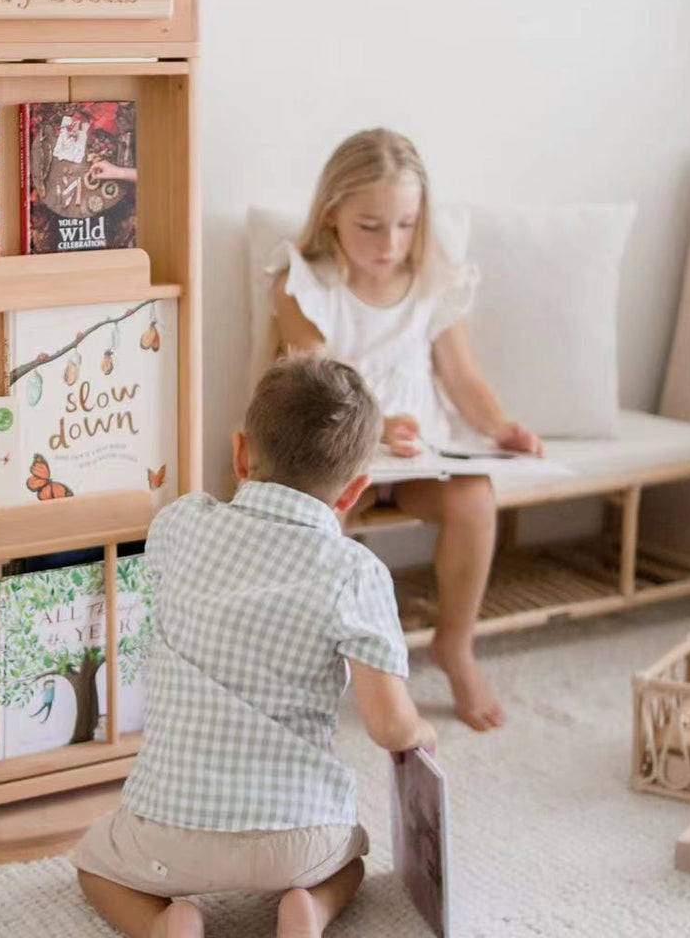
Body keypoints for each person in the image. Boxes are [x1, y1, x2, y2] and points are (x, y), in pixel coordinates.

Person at [71, 354, 435, 938]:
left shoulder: (177, 524)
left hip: (169, 829)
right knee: (352, 862)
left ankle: (166, 925)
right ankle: (309, 911)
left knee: (95, 861)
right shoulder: (354, 572)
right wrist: (420, 732)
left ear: (240, 454)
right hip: (295, 839)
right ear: (355, 491)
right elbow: (389, 726)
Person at [269, 127, 542, 731]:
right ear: (333, 212)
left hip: (419, 460)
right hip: (338, 457)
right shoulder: (306, 283)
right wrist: (373, 424)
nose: (390, 243)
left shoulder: (432, 285)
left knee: (476, 497)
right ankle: (316, 658)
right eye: (371, 225)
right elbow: (313, 383)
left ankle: (455, 644)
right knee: (319, 519)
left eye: (406, 224)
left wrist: (503, 429)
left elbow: (463, 378)